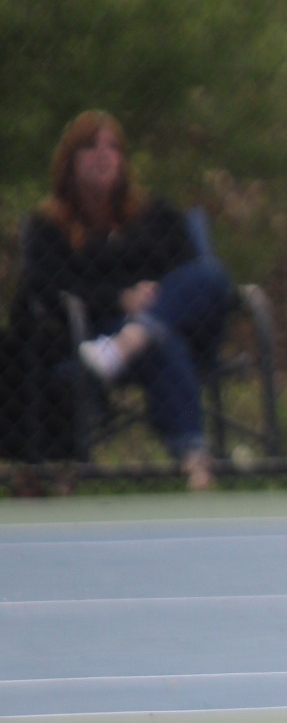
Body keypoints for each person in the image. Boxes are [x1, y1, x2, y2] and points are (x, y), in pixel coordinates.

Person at [17, 110, 231, 491]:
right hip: (97, 330)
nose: (103, 155)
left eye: (112, 147)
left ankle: (129, 342)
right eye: (90, 147)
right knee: (163, 343)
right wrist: (121, 299)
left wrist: (153, 298)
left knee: (211, 276)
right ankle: (194, 459)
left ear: (123, 159)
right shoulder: (48, 226)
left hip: (162, 324)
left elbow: (188, 272)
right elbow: (47, 287)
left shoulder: (156, 215)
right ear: (69, 161)